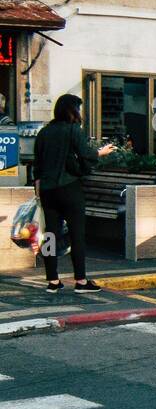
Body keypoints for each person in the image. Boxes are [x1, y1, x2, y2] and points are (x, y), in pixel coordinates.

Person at [33, 94, 114, 293]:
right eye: (78, 108)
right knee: (77, 235)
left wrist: (38, 189)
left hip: (48, 191)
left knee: (50, 234)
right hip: (70, 188)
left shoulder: (44, 132)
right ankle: (80, 281)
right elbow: (86, 154)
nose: (80, 112)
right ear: (72, 110)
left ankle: (52, 281)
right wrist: (101, 153)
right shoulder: (73, 130)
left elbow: (38, 163)